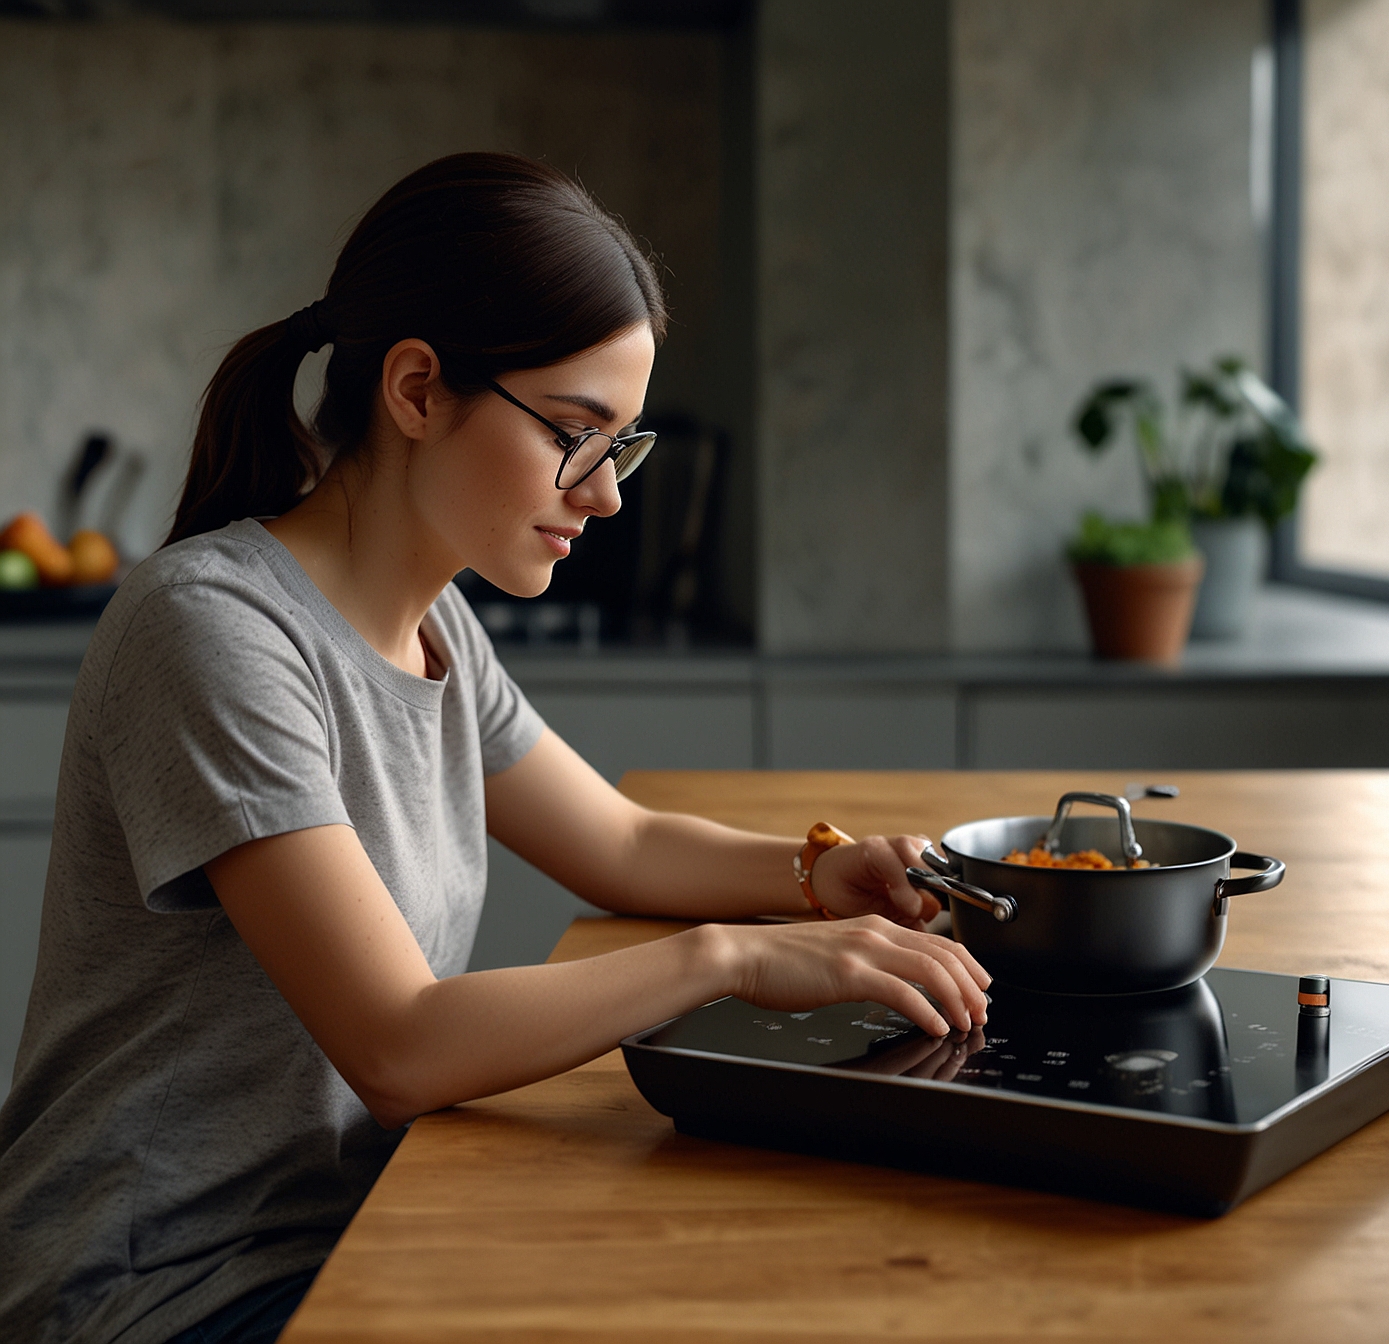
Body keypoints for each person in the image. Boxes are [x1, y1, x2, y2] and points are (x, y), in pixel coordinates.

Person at [0, 152, 990, 1344]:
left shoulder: (435, 623)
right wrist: (727, 958)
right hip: (161, 1288)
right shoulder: (212, 631)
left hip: (353, 1227)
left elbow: (618, 844)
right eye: (576, 434)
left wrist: (818, 873)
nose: (606, 496)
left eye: (621, 445)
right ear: (417, 390)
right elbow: (400, 1045)